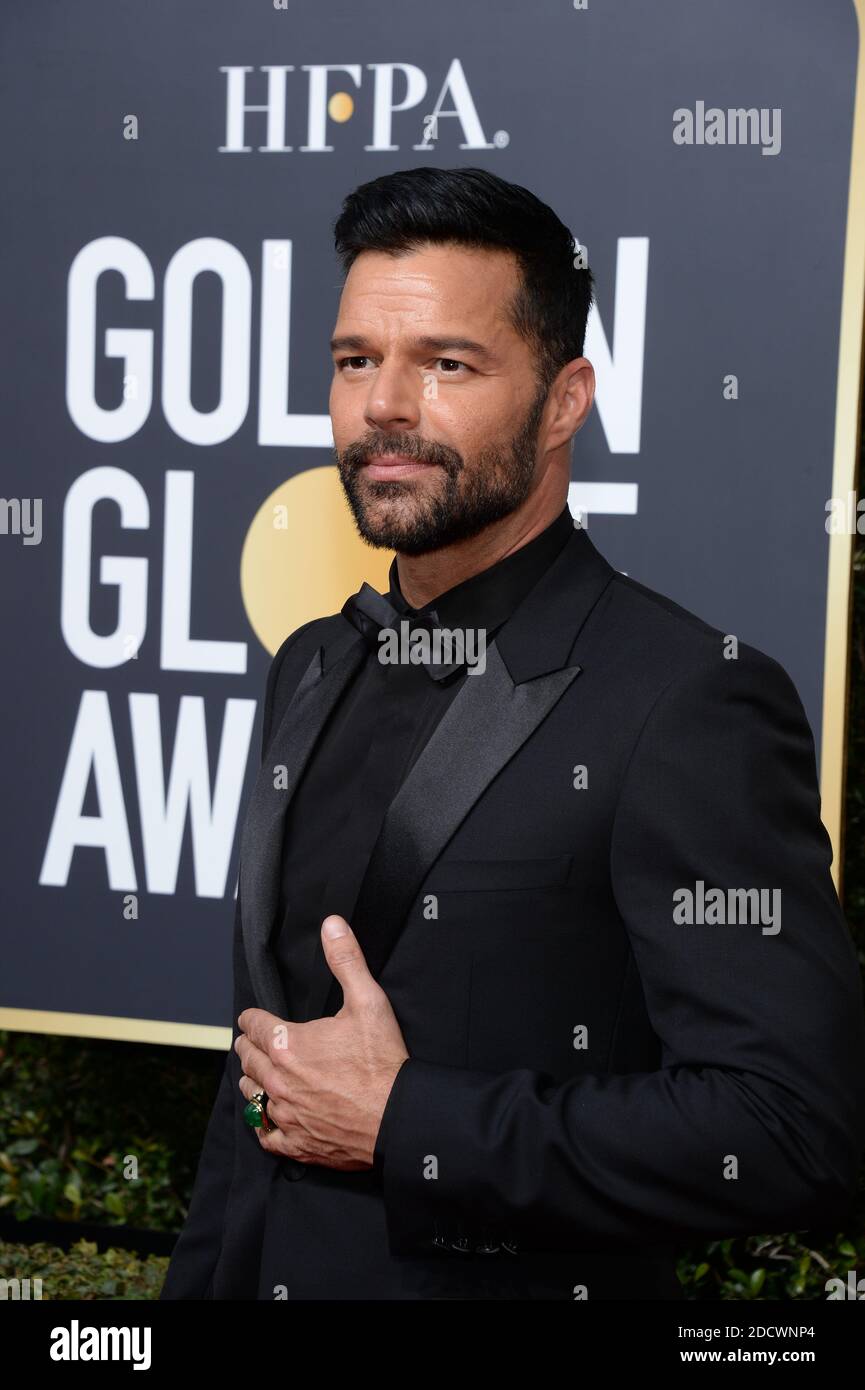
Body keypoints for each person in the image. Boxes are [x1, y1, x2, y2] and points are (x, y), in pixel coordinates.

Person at [160, 167, 865, 1301]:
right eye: (355, 361)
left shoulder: (683, 699)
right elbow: (265, 1088)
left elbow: (793, 1129)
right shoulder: (311, 661)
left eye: (447, 363)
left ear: (564, 399)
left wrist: (412, 1123)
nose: (384, 405)